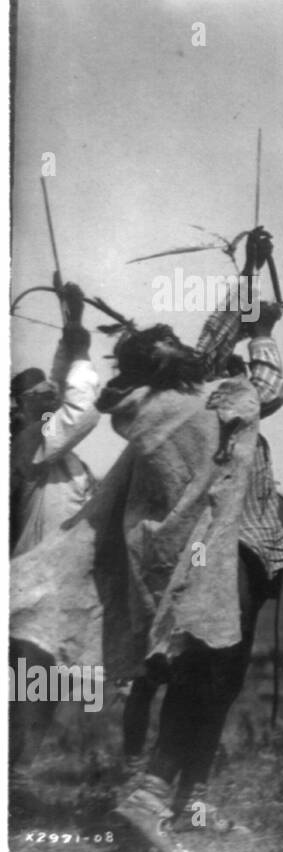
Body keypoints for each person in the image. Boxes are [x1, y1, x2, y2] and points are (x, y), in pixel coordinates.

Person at [118, 232, 283, 830]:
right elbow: (263, 382)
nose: (190, 349)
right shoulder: (199, 399)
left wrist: (248, 279)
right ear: (162, 365)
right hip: (227, 549)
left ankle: (191, 801)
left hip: (241, 550)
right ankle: (151, 793)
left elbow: (212, 343)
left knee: (220, 680)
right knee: (208, 674)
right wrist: (263, 327)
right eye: (172, 346)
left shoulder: (177, 397)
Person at [9, 282, 102, 787]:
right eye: (37, 398)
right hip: (30, 594)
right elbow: (79, 409)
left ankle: (17, 776)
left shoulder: (52, 451)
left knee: (40, 690)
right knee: (26, 693)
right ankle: (13, 780)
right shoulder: (29, 445)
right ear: (20, 411)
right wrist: (82, 350)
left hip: (47, 595)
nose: (48, 400)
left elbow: (63, 405)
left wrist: (72, 327)